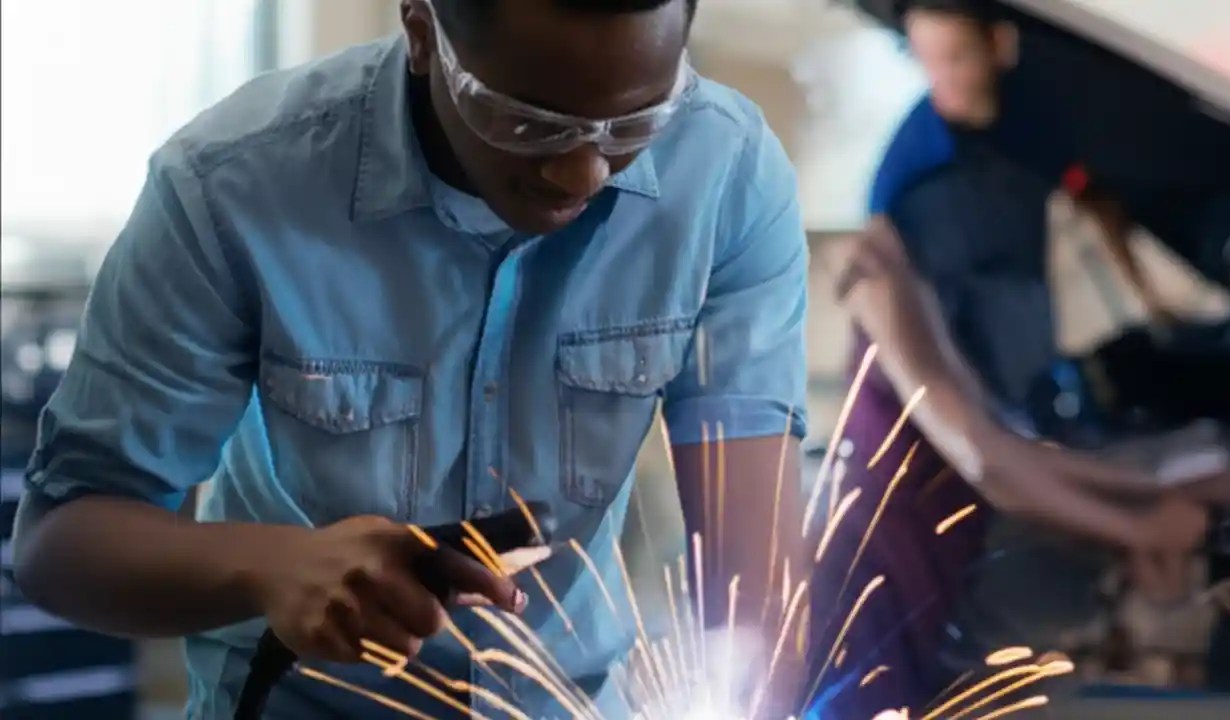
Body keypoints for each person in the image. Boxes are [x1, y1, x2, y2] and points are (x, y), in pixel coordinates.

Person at [11, 1, 810, 718]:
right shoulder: (232, 188)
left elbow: (752, 585)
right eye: (530, 124)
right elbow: (61, 545)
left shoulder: (727, 178)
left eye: (632, 128)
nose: (582, 172)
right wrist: (274, 569)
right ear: (422, 30)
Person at [806, 0, 1230, 715]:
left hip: (958, 545)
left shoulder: (936, 288)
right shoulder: (889, 277)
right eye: (929, 64)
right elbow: (991, 459)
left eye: (957, 59)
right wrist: (1141, 520)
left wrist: (1151, 495)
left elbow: (1009, 443)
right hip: (890, 572)